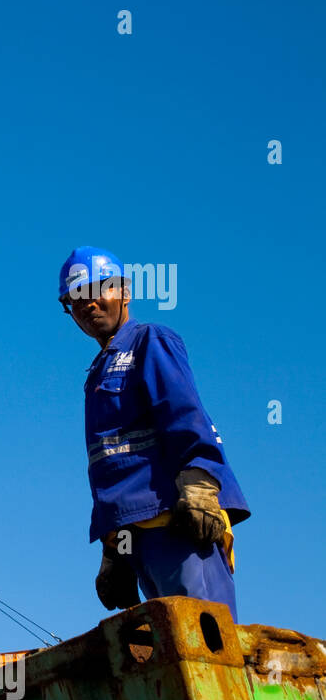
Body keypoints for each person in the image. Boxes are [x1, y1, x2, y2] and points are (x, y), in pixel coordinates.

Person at [58, 247, 249, 621]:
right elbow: (114, 468)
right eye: (75, 299)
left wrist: (200, 485)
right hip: (140, 537)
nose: (88, 305)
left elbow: (184, 412)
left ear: (124, 293)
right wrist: (114, 551)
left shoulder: (149, 340)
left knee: (208, 645)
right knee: (177, 655)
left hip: (179, 523)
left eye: (97, 291)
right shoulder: (98, 373)